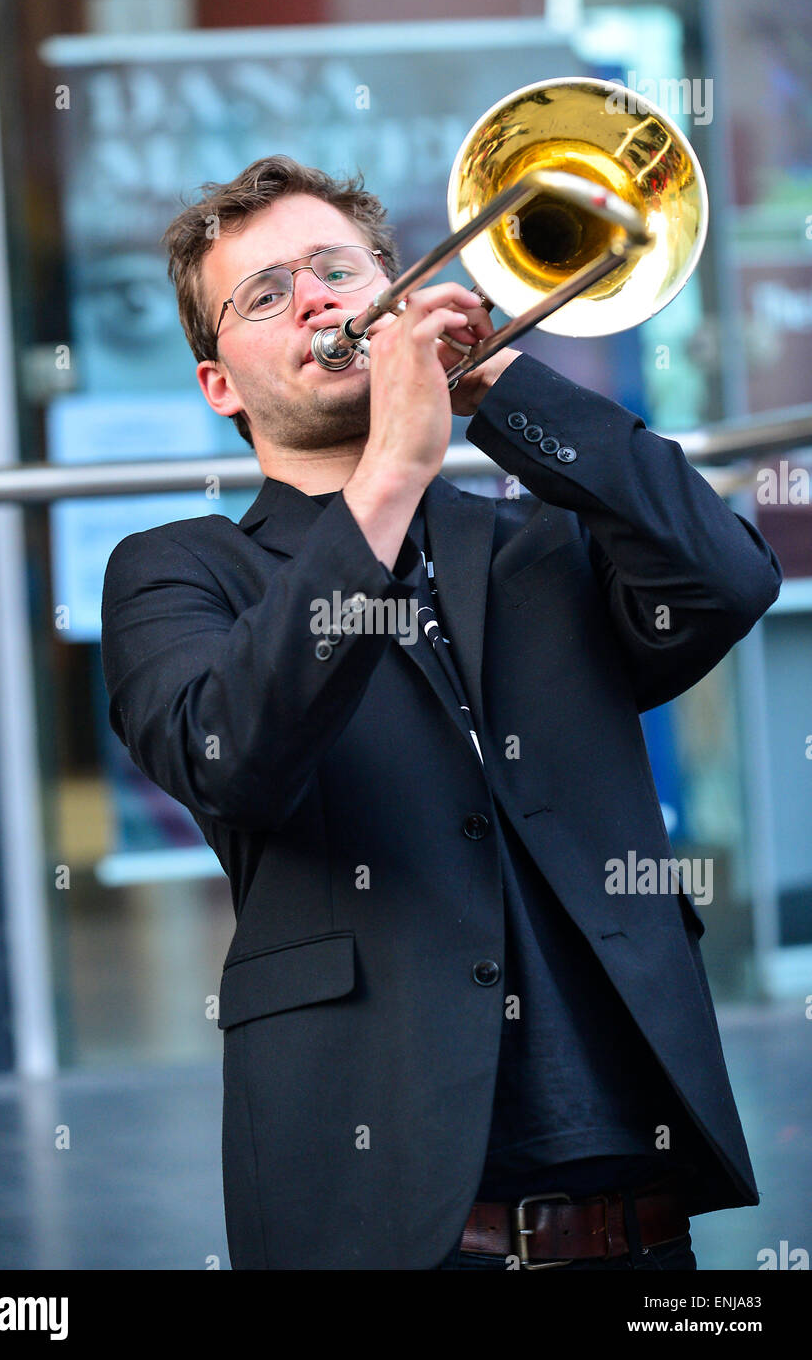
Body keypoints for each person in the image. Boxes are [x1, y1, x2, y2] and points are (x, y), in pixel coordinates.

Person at [100, 156, 782, 1270]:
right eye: (266, 294)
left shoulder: (538, 542)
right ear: (220, 382)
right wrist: (390, 470)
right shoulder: (178, 572)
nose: (319, 298)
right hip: (383, 1218)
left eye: (340, 269)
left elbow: (728, 579)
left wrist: (501, 384)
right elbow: (230, 754)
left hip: (635, 1216)